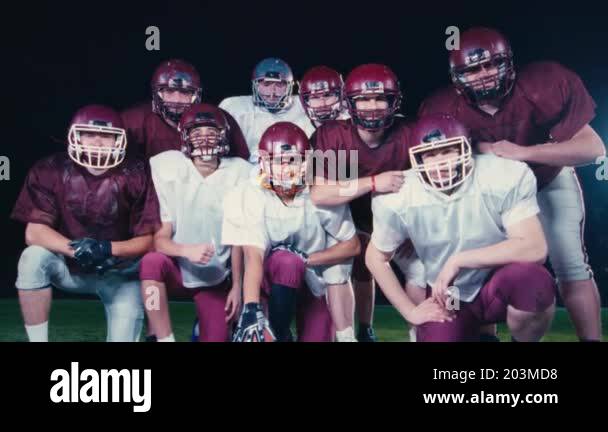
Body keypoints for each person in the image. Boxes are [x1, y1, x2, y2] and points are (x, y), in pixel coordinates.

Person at [419, 27, 605, 341]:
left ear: (508, 63)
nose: (484, 75)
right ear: (456, 77)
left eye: (491, 64)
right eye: (472, 69)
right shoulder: (441, 109)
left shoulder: (545, 83)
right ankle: (486, 336)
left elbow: (593, 147)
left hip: (547, 179)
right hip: (486, 196)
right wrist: (478, 150)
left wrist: (525, 152)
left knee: (570, 264)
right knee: (479, 269)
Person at [366, 113, 556, 342]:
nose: (441, 162)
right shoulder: (400, 195)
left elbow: (534, 248)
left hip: (497, 282)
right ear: (417, 159)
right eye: (431, 154)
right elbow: (375, 258)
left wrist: (459, 260)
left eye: (448, 150)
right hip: (451, 292)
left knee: (534, 282)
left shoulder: (502, 174)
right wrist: (410, 311)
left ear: (465, 149)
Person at [12, 105, 160, 342]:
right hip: (69, 269)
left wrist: (107, 249)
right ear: (75, 136)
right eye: (89, 134)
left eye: (106, 135)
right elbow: (34, 232)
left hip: (118, 273)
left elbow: (149, 239)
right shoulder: (51, 169)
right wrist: (78, 249)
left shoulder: (138, 172)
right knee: (32, 258)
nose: (97, 142)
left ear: (119, 140)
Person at [223, 122, 361, 342]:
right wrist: (251, 306)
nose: (286, 168)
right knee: (286, 261)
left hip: (313, 282)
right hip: (269, 283)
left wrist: (306, 259)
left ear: (306, 162)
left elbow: (352, 245)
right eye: (278, 161)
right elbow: (253, 255)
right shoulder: (250, 191)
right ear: (263, 162)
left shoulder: (319, 191)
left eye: (293, 161)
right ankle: (280, 332)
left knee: (293, 263)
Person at [140, 104, 253, 342]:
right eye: (197, 134)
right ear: (184, 137)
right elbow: (160, 241)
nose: (204, 140)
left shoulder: (241, 172)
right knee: (151, 262)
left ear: (224, 137)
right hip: (177, 269)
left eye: (212, 133)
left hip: (215, 276)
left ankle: (202, 327)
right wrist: (185, 250)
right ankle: (163, 338)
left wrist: (237, 286)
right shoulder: (167, 166)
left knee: (217, 338)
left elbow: (239, 239)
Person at [121, 58, 250, 160]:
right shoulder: (134, 121)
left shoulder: (220, 118)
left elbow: (239, 164)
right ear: (157, 93)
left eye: (185, 92)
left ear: (196, 95)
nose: (176, 100)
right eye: (169, 91)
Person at [220, 57, 315, 163]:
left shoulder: (303, 105)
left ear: (289, 86)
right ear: (256, 85)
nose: (272, 92)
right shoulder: (236, 107)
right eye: (266, 84)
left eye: (279, 85)